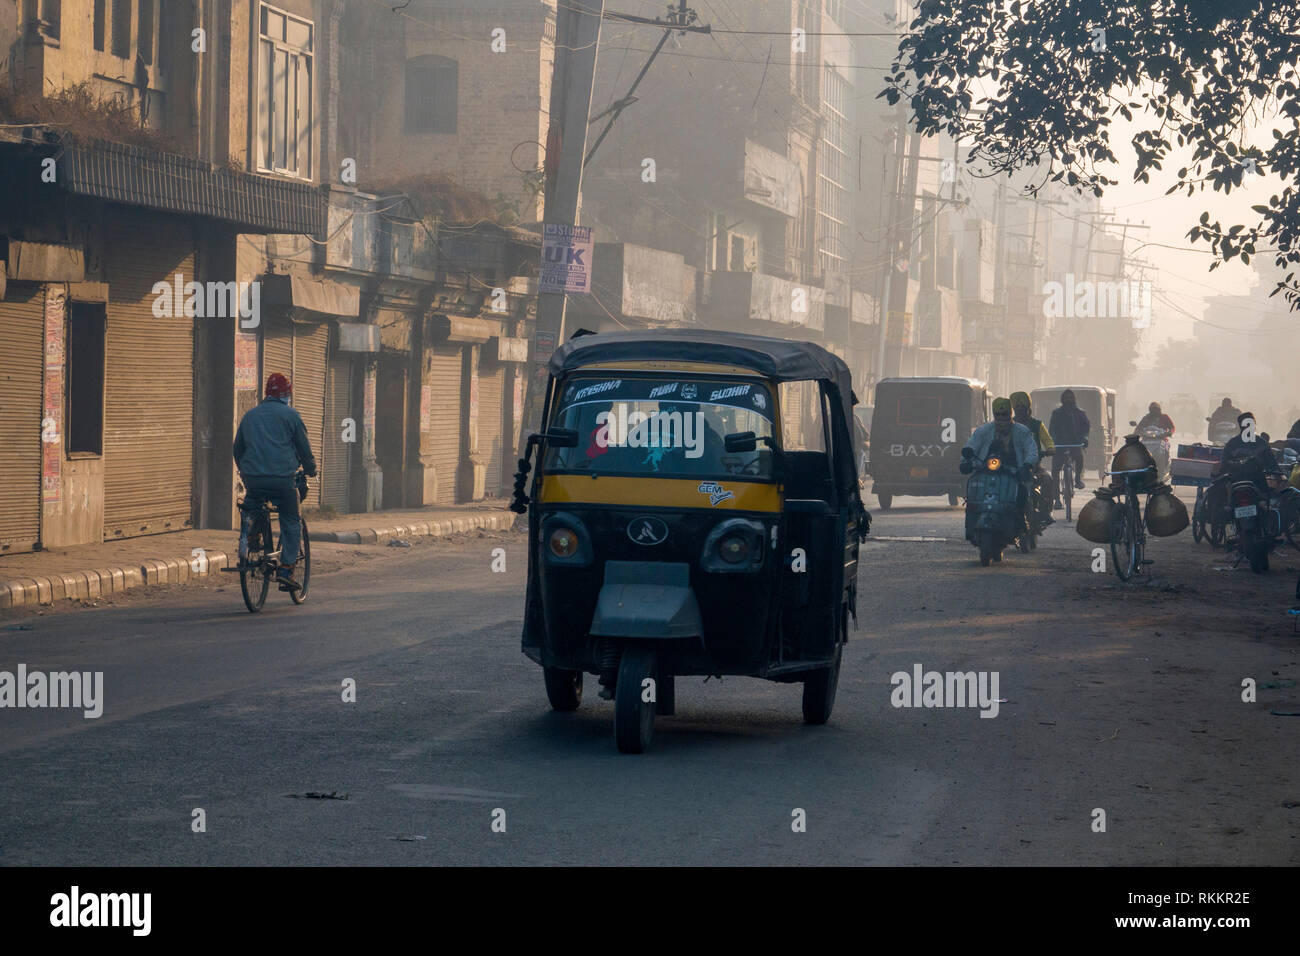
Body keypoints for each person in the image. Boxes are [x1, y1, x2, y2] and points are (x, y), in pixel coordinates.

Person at [233, 372, 317, 590]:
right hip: (282, 480)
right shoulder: (291, 416)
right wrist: (310, 469)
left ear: (267, 394)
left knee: (253, 504)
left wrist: (246, 471)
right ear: (287, 394)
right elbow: (304, 449)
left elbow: (238, 448)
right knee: (291, 520)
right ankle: (286, 569)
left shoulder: (250, 415)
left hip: (253, 480)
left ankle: (253, 535)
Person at [961, 398, 1039, 537]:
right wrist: (966, 460)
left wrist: (1027, 465)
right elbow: (971, 445)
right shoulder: (983, 431)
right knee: (973, 493)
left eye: (1005, 415)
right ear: (994, 415)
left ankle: (1022, 520)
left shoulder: (1022, 431)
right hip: (985, 469)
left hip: (1014, 471)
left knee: (1023, 493)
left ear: (1010, 414)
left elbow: (1031, 450)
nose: (1002, 419)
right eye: (998, 415)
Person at [1011, 391, 1055, 527]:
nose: (1019, 410)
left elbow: (1048, 440)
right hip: (1013, 466)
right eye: (1016, 407)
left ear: (1027, 408)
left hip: (1034, 467)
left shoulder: (1037, 424)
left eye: (1022, 407)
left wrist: (1050, 449)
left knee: (1047, 480)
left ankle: (1046, 512)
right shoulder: (1008, 424)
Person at [1214, 411, 1279, 492]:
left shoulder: (1231, 443)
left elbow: (1223, 467)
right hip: (1256, 483)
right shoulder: (1261, 442)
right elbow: (1273, 465)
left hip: (1238, 483)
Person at [1048, 388, 1090, 503]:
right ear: (1062, 399)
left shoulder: (1080, 413)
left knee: (1080, 459)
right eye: (1066, 397)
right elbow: (1052, 429)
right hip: (1060, 445)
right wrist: (1053, 441)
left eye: (1070, 397)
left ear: (1074, 399)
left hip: (1075, 443)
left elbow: (1086, 428)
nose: (1068, 399)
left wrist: (1085, 438)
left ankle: (1077, 480)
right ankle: (1056, 499)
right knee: (1055, 471)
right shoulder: (1056, 413)